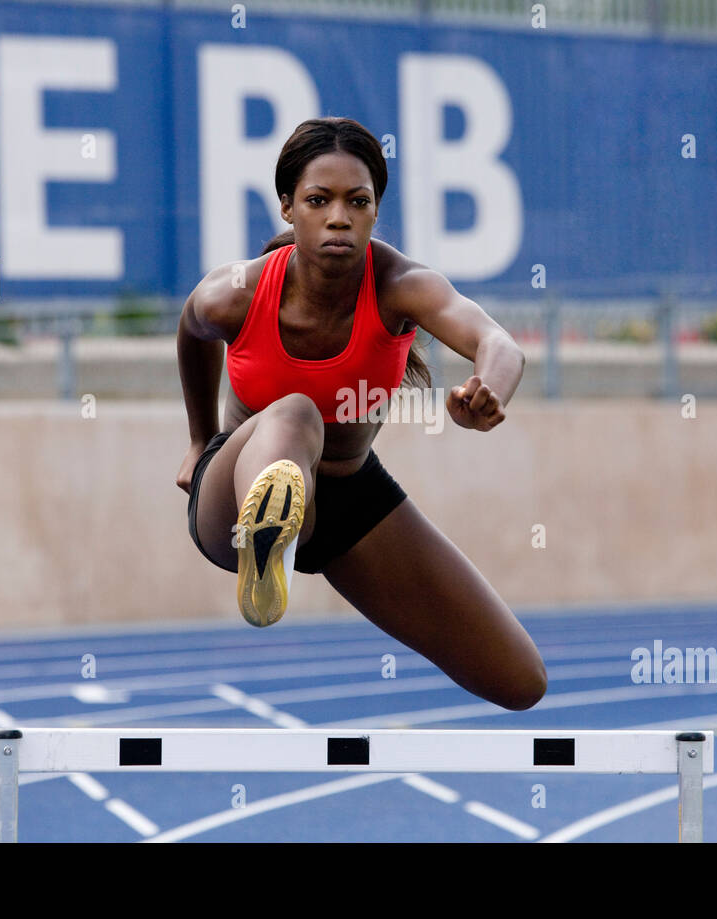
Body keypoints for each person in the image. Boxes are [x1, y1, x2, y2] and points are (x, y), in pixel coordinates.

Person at [177, 117, 546, 711]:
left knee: (521, 681)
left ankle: (290, 525)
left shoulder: (402, 285)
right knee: (296, 414)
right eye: (318, 201)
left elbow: (498, 342)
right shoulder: (236, 293)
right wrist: (200, 441)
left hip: (349, 499)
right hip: (237, 489)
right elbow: (192, 331)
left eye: (358, 201)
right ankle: (268, 537)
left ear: (376, 213)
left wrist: (490, 391)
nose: (339, 218)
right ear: (287, 209)